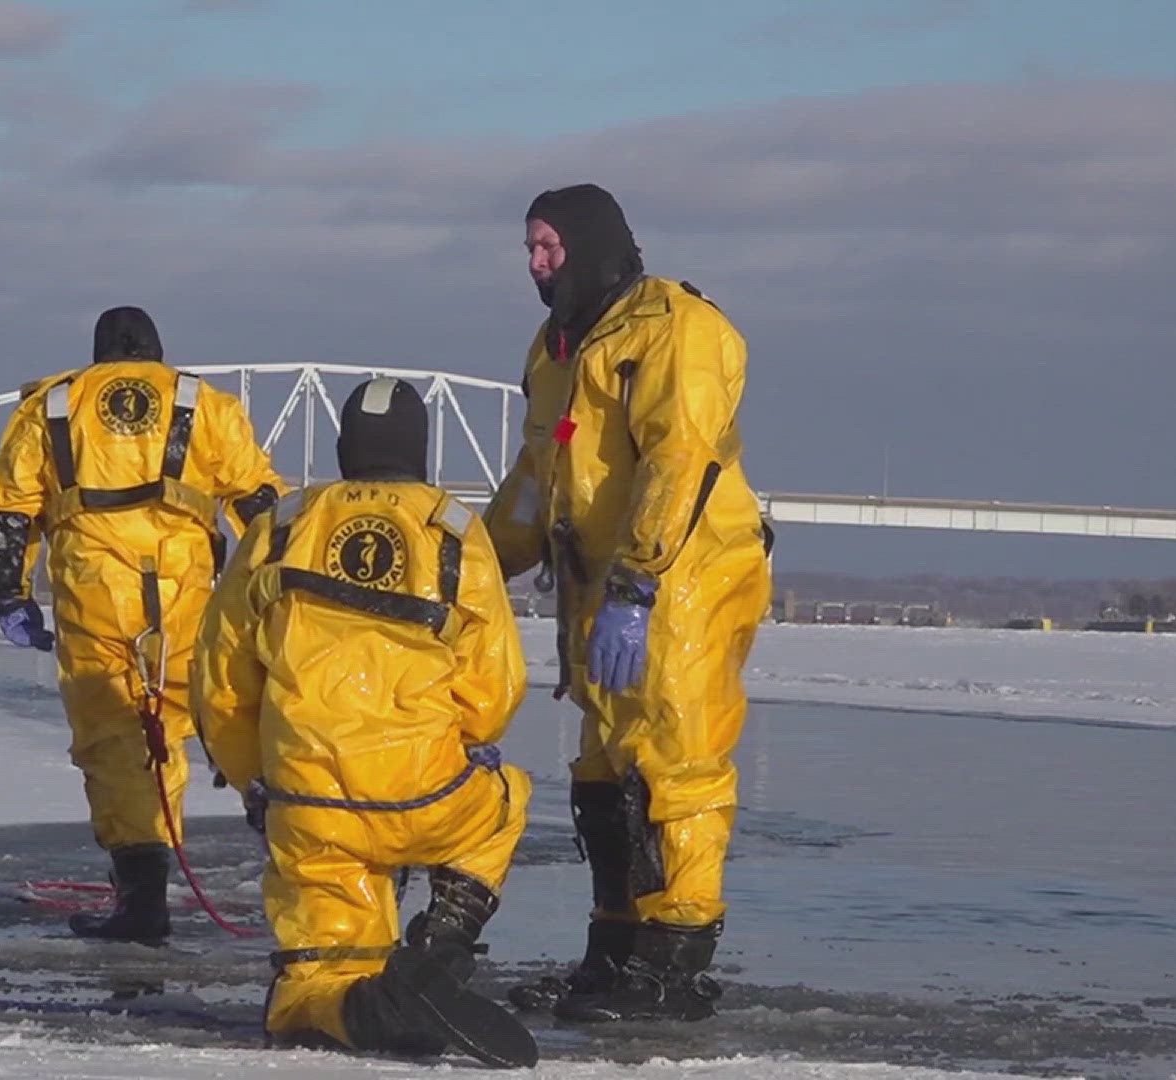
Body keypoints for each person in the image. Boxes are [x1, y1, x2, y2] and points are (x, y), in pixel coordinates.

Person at [485, 184, 772, 1022]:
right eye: (529, 250)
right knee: (603, 773)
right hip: (598, 588)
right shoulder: (556, 350)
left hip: (684, 575)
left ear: (589, 242)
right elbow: (539, 477)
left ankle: (674, 959)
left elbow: (678, 459)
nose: (537, 265)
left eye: (550, 248)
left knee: (671, 765)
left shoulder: (676, 328)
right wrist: (467, 565)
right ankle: (613, 951)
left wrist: (639, 581)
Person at [193, 377, 538, 1069]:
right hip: (424, 794)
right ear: (421, 448)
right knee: (504, 805)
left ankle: (353, 1006)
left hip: (307, 799)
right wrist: (460, 745)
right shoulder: (456, 532)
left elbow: (222, 683)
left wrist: (255, 782)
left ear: (347, 447)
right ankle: (441, 947)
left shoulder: (278, 527)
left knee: (315, 978)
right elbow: (495, 688)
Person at [0, 305, 282, 944]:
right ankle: (299, 849)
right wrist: (281, 588)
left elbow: (9, 507)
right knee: (214, 716)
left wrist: (9, 592)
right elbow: (258, 502)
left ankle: (141, 894)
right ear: (157, 352)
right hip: (185, 592)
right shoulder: (204, 405)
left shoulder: (53, 406)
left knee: (115, 737)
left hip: (94, 594)